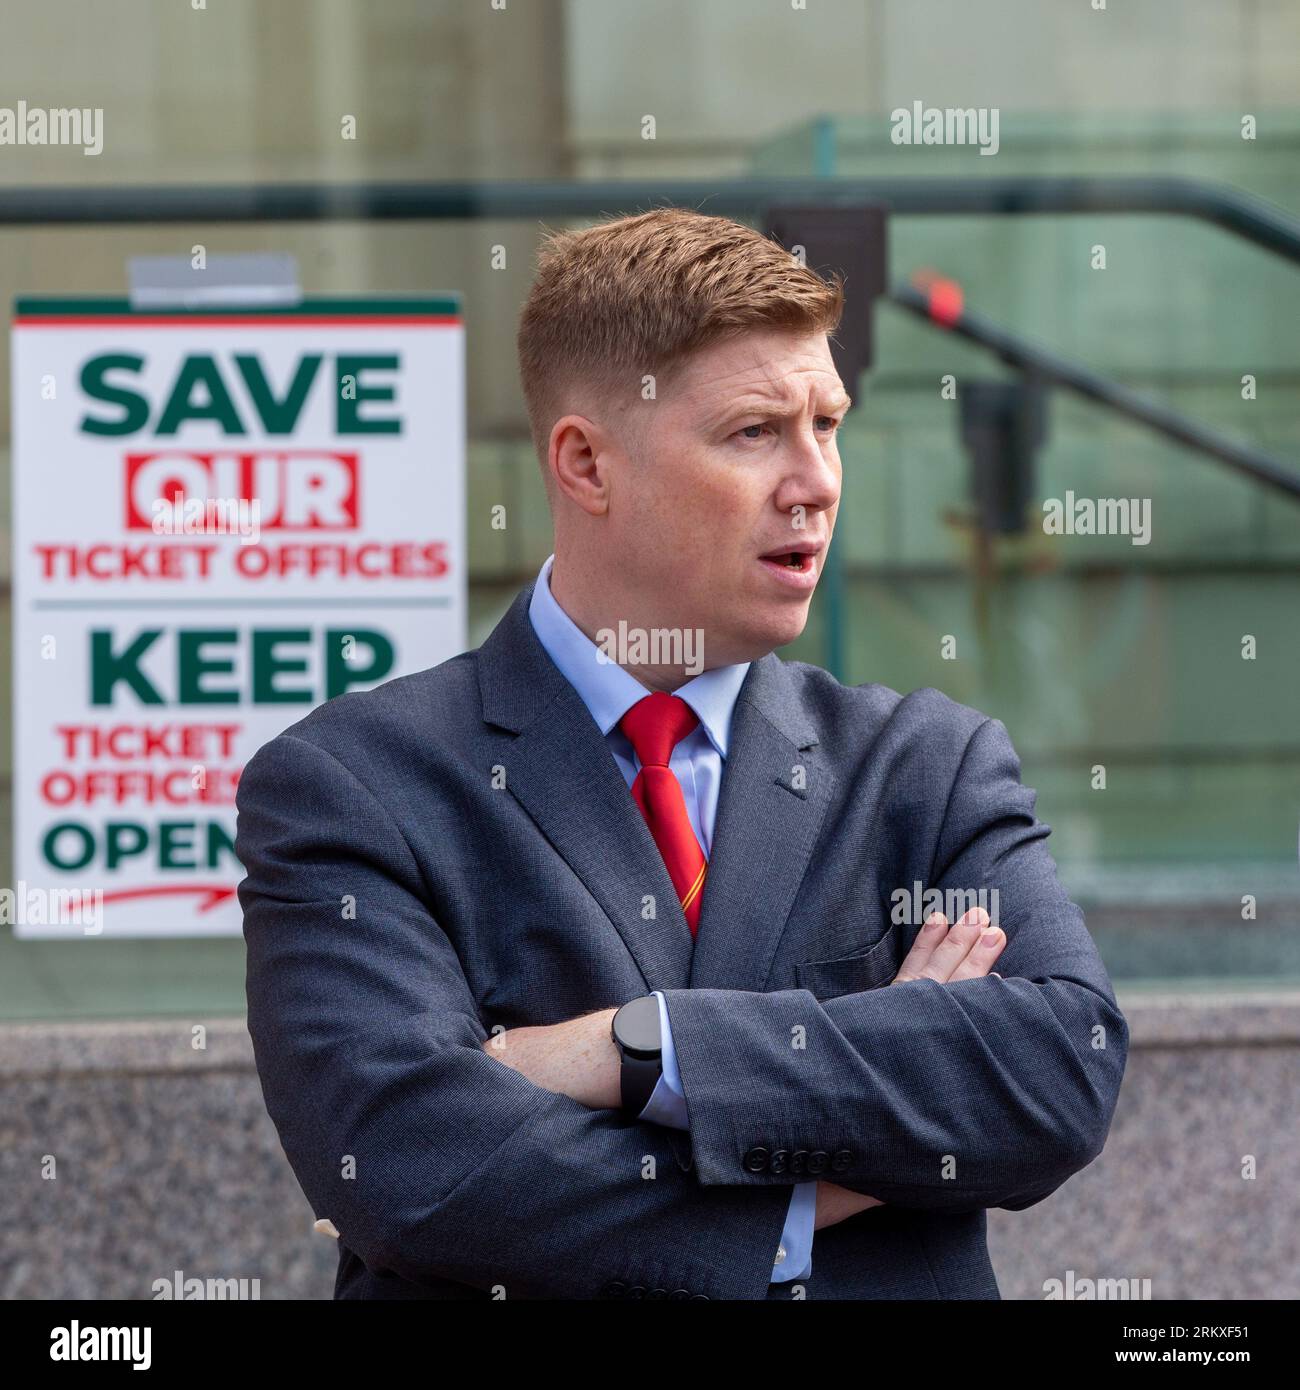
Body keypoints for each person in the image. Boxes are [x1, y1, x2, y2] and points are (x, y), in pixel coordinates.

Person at [236, 206, 1128, 1300]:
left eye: (828, 424)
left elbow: (1056, 1070)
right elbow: (412, 1168)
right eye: (754, 432)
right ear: (586, 464)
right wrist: (826, 1167)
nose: (816, 479)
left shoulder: (927, 766)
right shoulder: (356, 785)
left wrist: (637, 1049)